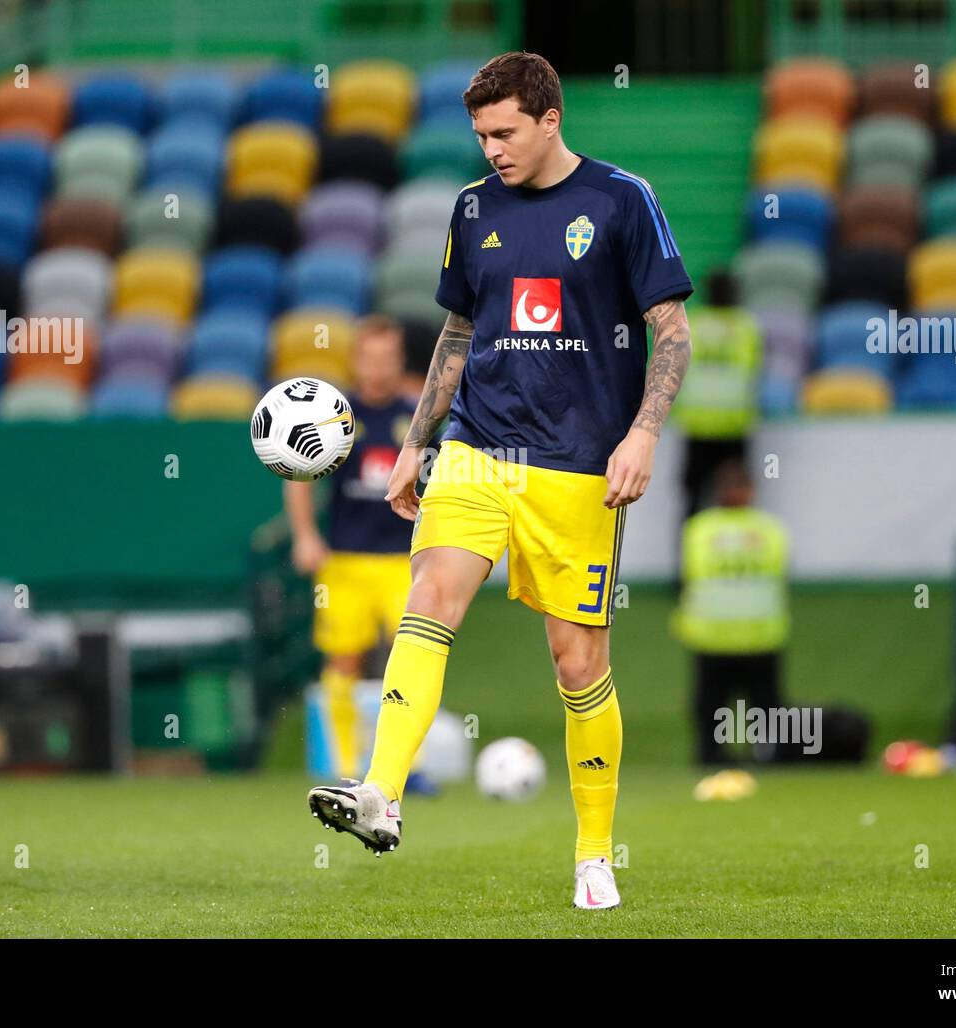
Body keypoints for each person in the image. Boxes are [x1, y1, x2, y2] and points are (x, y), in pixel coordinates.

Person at [308, 51, 694, 911]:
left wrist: (643, 432)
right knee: (431, 593)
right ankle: (381, 790)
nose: (491, 150)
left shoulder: (621, 202)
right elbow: (457, 333)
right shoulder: (472, 208)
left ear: (550, 119)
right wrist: (417, 441)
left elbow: (671, 333)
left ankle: (595, 852)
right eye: (481, 134)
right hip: (478, 450)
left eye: (505, 132)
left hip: (581, 468)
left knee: (577, 658)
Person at [285, 315, 420, 785]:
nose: (378, 368)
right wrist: (305, 535)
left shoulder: (418, 416)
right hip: (344, 560)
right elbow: (298, 476)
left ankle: (404, 769)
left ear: (399, 361)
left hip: (405, 561)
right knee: (344, 660)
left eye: (388, 358)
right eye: (370, 358)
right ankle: (344, 769)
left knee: (413, 657)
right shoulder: (334, 419)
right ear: (356, 361)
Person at [670, 460, 790, 766]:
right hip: (760, 635)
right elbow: (779, 569)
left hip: (712, 635)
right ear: (751, 491)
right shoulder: (769, 529)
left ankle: (711, 756)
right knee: (765, 706)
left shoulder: (699, 530)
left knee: (710, 706)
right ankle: (768, 757)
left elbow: (690, 574)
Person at [670, 269, 760, 522]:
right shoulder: (746, 326)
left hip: (697, 422)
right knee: (737, 498)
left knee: (692, 499)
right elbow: (754, 368)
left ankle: (689, 556)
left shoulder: (692, 323)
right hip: (735, 423)